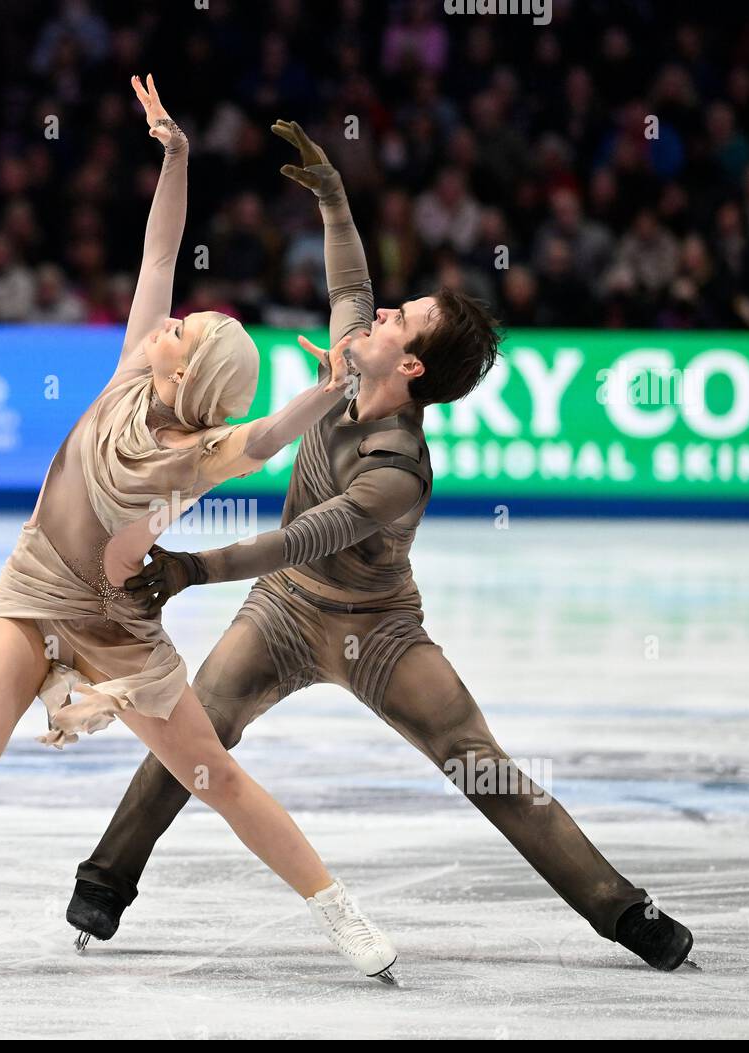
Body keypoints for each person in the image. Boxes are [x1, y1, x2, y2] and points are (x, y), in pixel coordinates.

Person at [66, 120, 696, 973]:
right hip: (285, 613)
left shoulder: (399, 469)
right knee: (197, 734)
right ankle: (105, 881)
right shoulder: (355, 366)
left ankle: (623, 911)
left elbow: (303, 538)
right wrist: (332, 197)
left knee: (483, 769)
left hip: (381, 629)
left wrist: (191, 569)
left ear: (412, 372)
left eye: (403, 320)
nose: (380, 312)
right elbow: (353, 279)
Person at [0, 80, 399, 983]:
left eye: (190, 330)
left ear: (192, 372)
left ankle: (342, 915)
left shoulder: (204, 451)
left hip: (117, 620)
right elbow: (160, 249)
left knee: (216, 779)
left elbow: (268, 435)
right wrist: (174, 157)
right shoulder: (136, 364)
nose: (175, 319)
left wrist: (329, 391)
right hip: (33, 587)